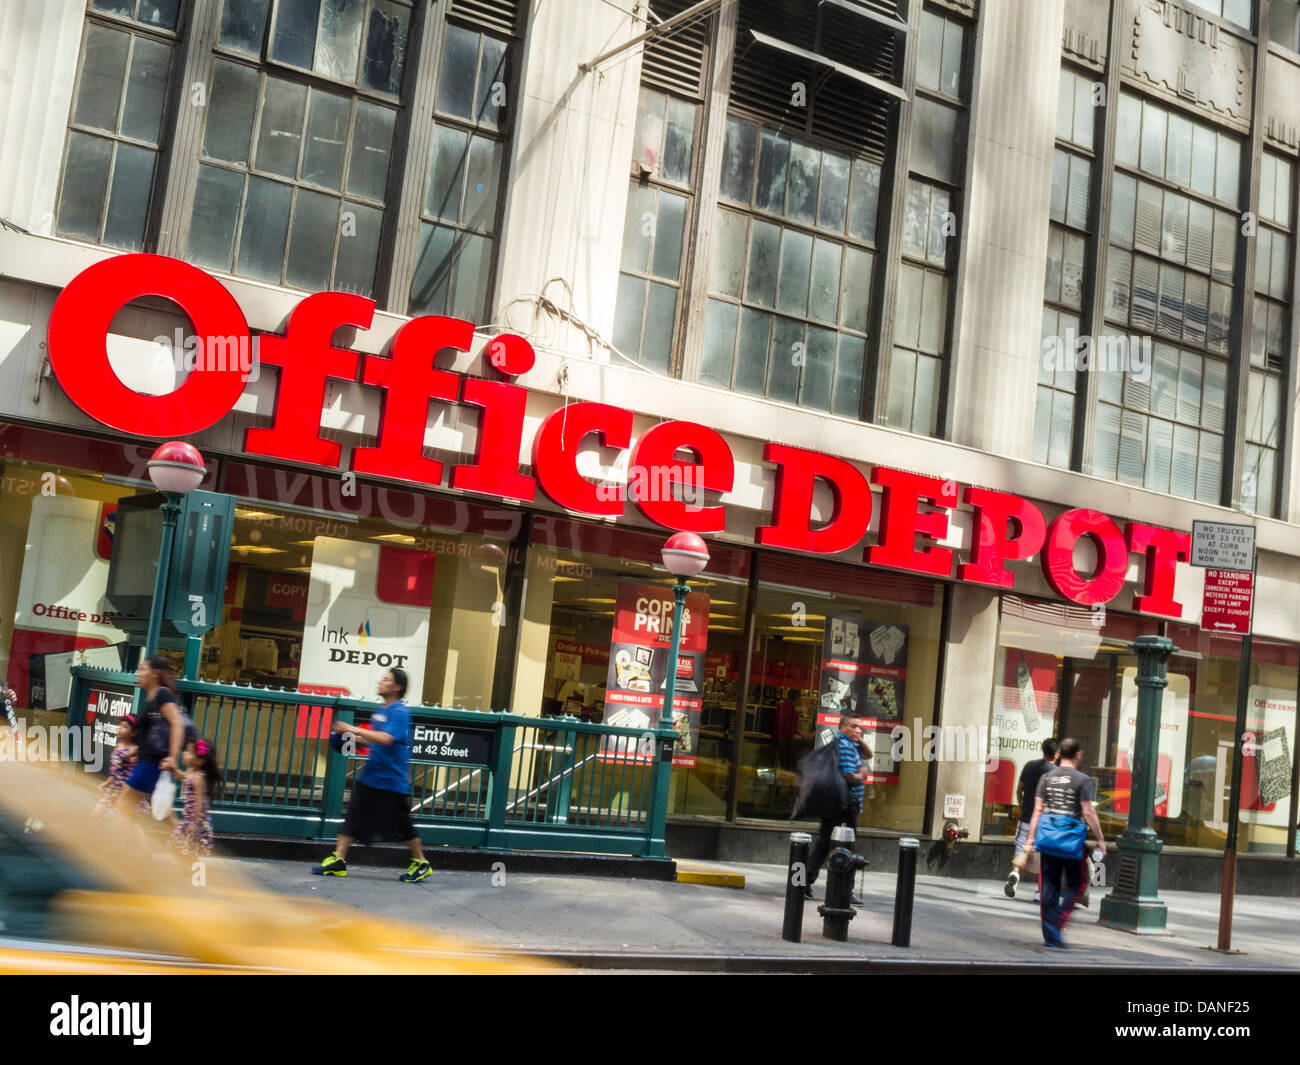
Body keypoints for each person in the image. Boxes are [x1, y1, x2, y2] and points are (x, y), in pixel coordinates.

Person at [312, 668, 432, 883]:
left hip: (391, 780)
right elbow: (375, 740)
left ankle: (421, 862)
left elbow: (386, 739)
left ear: (397, 687)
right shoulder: (381, 711)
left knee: (403, 823)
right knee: (354, 815)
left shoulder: (399, 712)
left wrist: (353, 728)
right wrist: (352, 739)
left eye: (387, 679)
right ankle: (338, 860)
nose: (381, 682)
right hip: (372, 776)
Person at [1025, 737, 1106, 949]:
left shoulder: (1047, 778)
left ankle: (1049, 934)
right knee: (1077, 885)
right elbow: (1088, 811)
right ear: (1077, 755)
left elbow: (1037, 811)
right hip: (1071, 842)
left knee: (1049, 886)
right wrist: (1100, 838)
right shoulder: (1082, 780)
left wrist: (1031, 838)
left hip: (1048, 839)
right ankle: (1055, 926)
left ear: (1060, 753)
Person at [804, 711, 870, 903]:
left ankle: (801, 884)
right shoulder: (846, 746)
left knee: (823, 845)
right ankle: (845, 891)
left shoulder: (845, 743)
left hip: (834, 803)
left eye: (860, 726)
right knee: (846, 848)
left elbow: (868, 754)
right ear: (842, 728)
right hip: (845, 805)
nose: (858, 729)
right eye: (853, 726)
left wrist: (859, 738)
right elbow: (848, 774)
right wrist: (861, 776)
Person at [117, 655, 186, 820]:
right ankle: (180, 844)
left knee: (122, 808)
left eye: (143, 669)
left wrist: (173, 757)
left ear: (154, 673)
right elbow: (155, 732)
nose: (139, 673)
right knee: (164, 816)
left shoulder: (162, 694)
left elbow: (177, 723)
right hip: (149, 762)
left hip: (153, 765)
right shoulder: (152, 698)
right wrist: (137, 751)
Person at [1005, 737, 1059, 900]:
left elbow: (1019, 789)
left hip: (1027, 816)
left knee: (1021, 846)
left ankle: (1015, 873)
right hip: (1044, 820)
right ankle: (1039, 891)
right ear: (1056, 754)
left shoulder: (1029, 765)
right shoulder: (1055, 772)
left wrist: (1022, 805)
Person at [170, 737, 221, 857]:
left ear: (199, 761)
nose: (184, 754)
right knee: (181, 845)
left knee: (189, 848)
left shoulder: (199, 777)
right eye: (186, 751)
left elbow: (199, 801)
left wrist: (195, 823)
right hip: (188, 818)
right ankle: (189, 868)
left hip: (196, 820)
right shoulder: (191, 770)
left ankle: (193, 869)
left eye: (189, 752)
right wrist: (173, 770)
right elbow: (183, 777)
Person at [94, 713, 140, 819]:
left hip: (126, 792)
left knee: (126, 821)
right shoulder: (118, 746)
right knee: (96, 812)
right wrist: (106, 783)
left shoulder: (134, 750)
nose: (120, 729)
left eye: (124, 727)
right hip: (113, 789)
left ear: (134, 733)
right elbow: (116, 771)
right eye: (120, 726)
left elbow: (135, 771)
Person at [773, 688, 802, 770]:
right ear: (796, 698)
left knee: (782, 766)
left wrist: (800, 732)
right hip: (786, 745)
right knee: (787, 768)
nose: (801, 699)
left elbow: (785, 725)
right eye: (800, 697)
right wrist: (801, 737)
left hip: (778, 742)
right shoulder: (792, 710)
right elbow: (788, 733)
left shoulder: (781, 706)